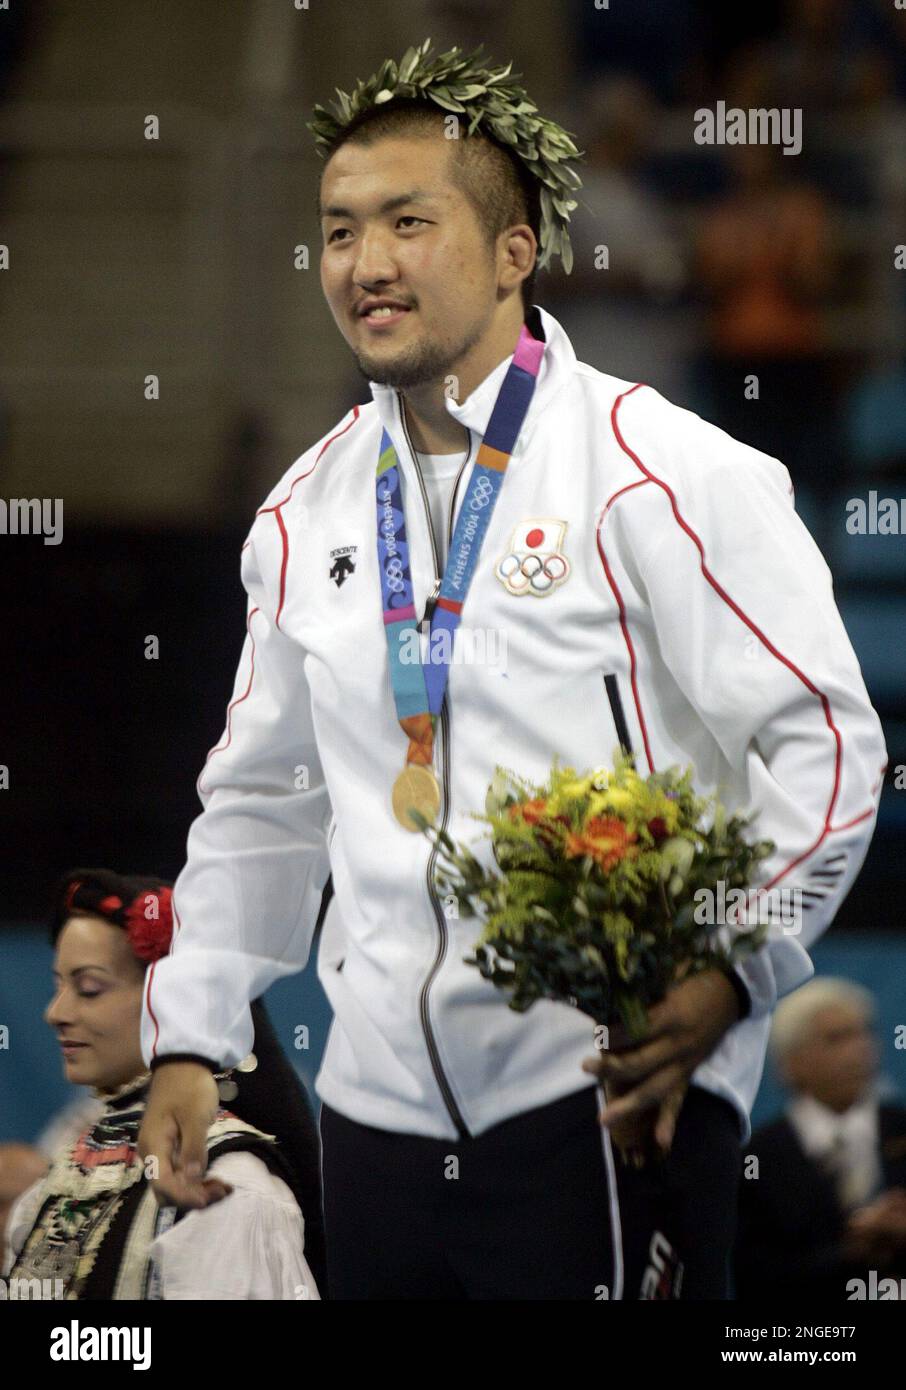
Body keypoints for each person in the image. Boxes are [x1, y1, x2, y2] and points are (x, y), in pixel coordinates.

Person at [137, 38, 888, 1300]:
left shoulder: (665, 474)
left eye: (408, 222)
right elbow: (265, 800)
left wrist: (731, 962)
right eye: (338, 230)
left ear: (512, 249)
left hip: (604, 1088)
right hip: (373, 1114)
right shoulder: (304, 512)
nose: (365, 264)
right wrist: (194, 1037)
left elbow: (826, 746)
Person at [2, 869, 322, 1299]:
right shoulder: (69, 1171)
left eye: (90, 988)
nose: (55, 1012)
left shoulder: (227, 1187)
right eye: (59, 986)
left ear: (174, 1003)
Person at [735, 977, 906, 1300]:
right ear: (790, 1062)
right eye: (836, 1038)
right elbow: (754, 1278)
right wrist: (853, 1248)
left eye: (865, 1032)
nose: (859, 1049)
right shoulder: (757, 1159)